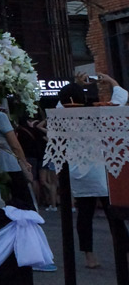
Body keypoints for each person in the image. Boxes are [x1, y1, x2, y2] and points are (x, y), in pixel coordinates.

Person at [58, 71, 129, 269]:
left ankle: (89, 256)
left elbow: (62, 102)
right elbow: (120, 101)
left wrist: (76, 85)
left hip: (78, 173)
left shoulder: (62, 117)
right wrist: (112, 81)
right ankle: (126, 253)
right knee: (114, 216)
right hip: (101, 171)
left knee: (84, 216)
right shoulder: (99, 115)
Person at [0, 101, 33, 210]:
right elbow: (14, 144)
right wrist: (24, 163)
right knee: (22, 199)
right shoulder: (0, 116)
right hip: (7, 159)